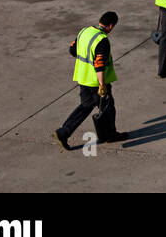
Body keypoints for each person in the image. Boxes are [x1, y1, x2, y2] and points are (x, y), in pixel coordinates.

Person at [53, 11, 128, 149]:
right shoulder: (102, 40)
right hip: (94, 82)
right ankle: (111, 134)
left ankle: (63, 132)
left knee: (86, 106)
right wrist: (102, 85)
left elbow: (72, 50)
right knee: (108, 107)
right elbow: (99, 66)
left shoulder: (85, 31)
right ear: (111, 26)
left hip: (82, 78)